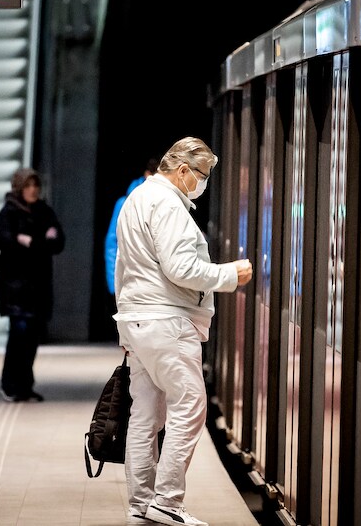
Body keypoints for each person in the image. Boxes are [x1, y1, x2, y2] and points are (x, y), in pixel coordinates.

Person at [112, 137, 253, 526]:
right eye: (202, 175)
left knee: (145, 416)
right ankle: (167, 502)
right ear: (183, 170)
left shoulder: (136, 199)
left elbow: (123, 267)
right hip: (168, 321)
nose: (203, 184)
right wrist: (230, 274)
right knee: (190, 407)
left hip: (137, 319)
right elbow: (181, 269)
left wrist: (126, 318)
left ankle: (141, 505)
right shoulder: (169, 205)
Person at [0, 167, 65, 402]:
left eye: (35, 186)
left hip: (37, 286)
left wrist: (30, 241)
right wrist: (39, 241)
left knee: (31, 337)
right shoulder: (9, 213)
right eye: (28, 186)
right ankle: (10, 384)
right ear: (19, 188)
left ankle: (24, 385)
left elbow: (58, 241)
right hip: (15, 288)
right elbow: (7, 241)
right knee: (19, 335)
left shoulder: (44, 211)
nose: (33, 190)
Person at [105, 156, 159, 295]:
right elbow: (112, 242)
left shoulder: (165, 202)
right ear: (148, 175)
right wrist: (114, 284)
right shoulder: (126, 202)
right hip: (129, 279)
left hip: (154, 281)